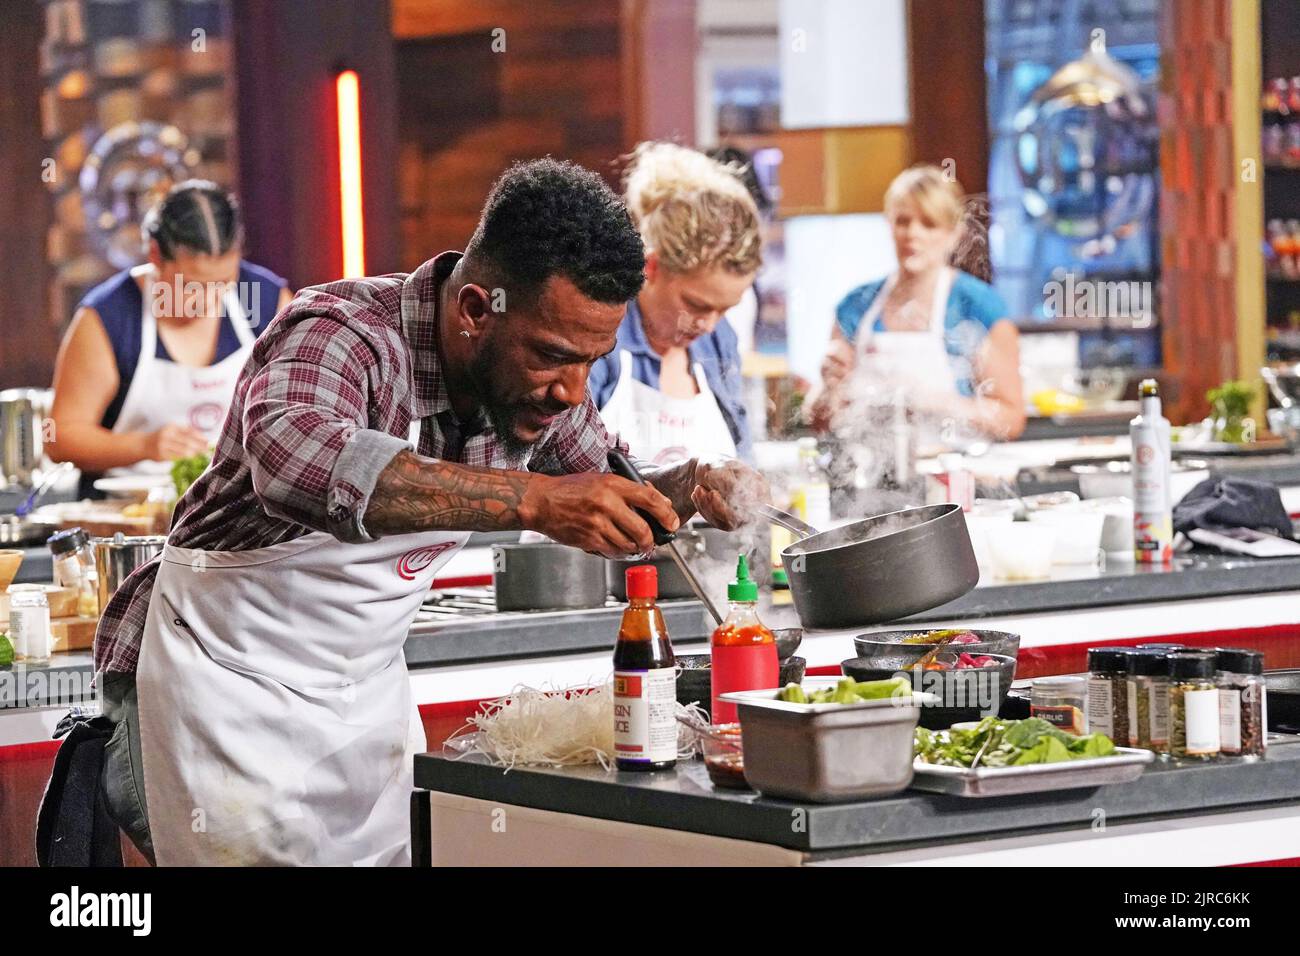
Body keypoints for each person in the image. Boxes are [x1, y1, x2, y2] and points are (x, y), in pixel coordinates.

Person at [91, 158, 765, 866]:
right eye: (554, 356)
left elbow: (603, 482)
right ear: (477, 309)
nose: (573, 391)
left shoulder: (543, 390)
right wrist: (535, 500)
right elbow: (295, 463)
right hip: (221, 687)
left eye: (592, 362)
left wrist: (689, 488)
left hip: (363, 704)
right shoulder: (342, 334)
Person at [48, 181, 291, 495]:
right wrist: (143, 445)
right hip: (128, 514)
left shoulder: (267, 300)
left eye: (223, 282)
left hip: (238, 509)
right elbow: (59, 437)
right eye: (192, 285)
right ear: (155, 256)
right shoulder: (108, 318)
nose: (209, 300)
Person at [808, 165, 1025, 442]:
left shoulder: (978, 307)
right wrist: (829, 389)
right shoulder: (857, 307)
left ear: (954, 234)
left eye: (929, 223)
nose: (913, 234)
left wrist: (944, 404)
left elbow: (1011, 418)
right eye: (902, 221)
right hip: (869, 472)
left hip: (953, 473)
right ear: (889, 225)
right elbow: (820, 422)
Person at [587, 142, 762, 465]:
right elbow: (565, 468)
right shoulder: (599, 338)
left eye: (724, 310)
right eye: (696, 305)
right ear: (650, 266)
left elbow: (741, 452)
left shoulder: (719, 341)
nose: (708, 324)